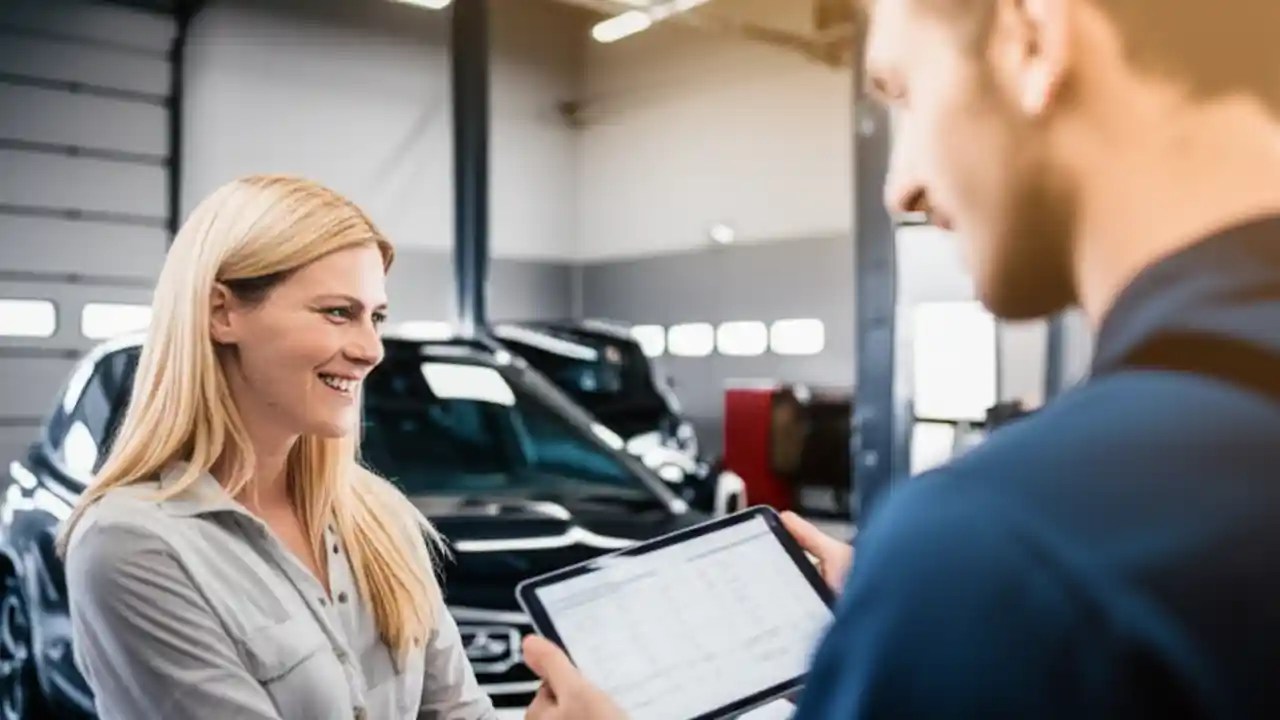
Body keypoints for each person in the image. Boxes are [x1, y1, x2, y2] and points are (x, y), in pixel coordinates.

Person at [523, 0, 1280, 717]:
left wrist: (942, 597)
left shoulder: (1008, 541)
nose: (901, 186)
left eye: (904, 93)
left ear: (1032, 37)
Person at [57, 175, 497, 720]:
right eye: (338, 312)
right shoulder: (132, 546)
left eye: (375, 317)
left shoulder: (378, 518)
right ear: (223, 313)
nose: (370, 350)